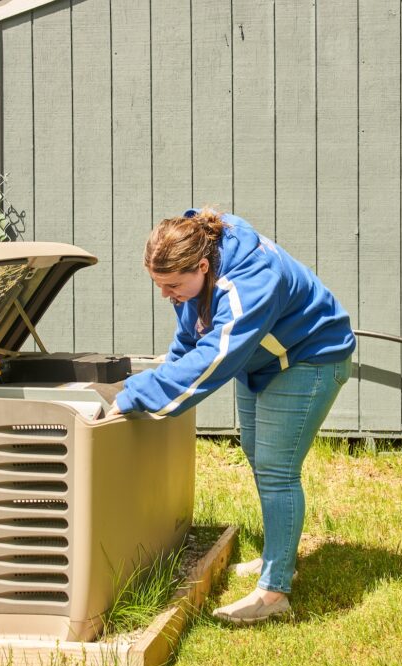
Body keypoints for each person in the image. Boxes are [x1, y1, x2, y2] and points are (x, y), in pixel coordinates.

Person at [107, 207, 356, 625]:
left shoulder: (250, 282)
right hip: (264, 359)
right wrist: (161, 375)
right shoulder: (197, 270)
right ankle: (279, 555)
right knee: (256, 452)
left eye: (172, 286)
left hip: (311, 358)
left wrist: (139, 392)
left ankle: (275, 593)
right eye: (160, 287)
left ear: (202, 266)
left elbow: (215, 357)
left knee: (278, 469)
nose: (167, 295)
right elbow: (192, 335)